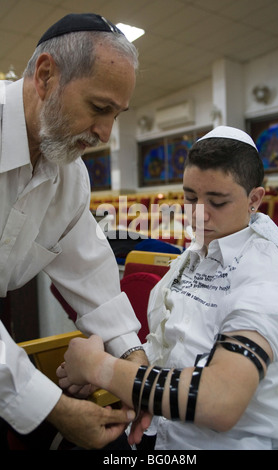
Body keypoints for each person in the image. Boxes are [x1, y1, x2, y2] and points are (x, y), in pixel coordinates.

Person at [59, 126, 278, 450]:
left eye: (217, 201)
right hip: (156, 431)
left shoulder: (269, 271)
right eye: (190, 198)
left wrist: (98, 368)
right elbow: (170, 349)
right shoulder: (197, 252)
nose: (198, 214)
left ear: (254, 199)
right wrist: (132, 382)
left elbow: (222, 399)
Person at [0, 13, 149, 449]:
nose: (105, 132)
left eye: (116, 115)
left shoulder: (70, 176)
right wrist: (54, 408)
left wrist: (135, 363)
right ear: (45, 76)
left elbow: (91, 275)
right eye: (100, 108)